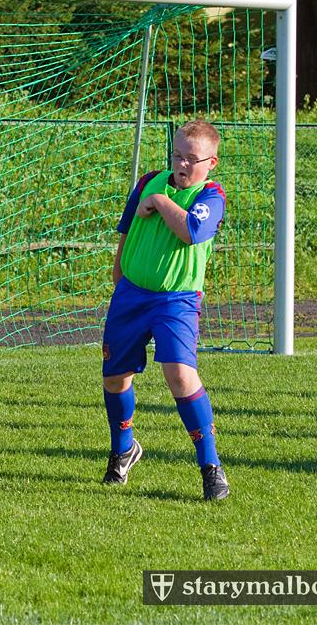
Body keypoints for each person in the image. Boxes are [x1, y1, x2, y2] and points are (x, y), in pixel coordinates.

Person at [100, 119, 230, 501]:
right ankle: (123, 450)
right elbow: (127, 227)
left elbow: (191, 231)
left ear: (211, 162)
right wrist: (120, 270)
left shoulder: (211, 196)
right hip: (131, 295)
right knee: (115, 379)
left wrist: (160, 202)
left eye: (192, 159)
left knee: (180, 374)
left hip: (177, 300)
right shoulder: (147, 181)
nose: (182, 165)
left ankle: (210, 467)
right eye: (177, 156)